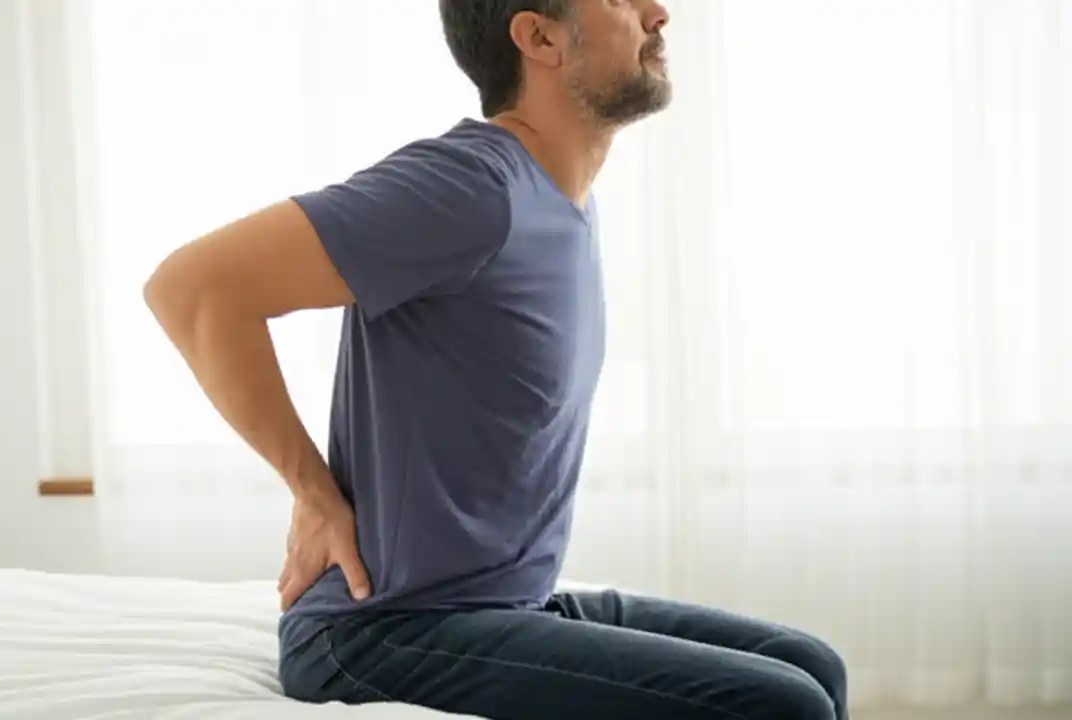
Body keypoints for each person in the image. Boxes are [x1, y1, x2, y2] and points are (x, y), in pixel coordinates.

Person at [144, 1, 848, 718]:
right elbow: (194, 288)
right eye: (619, 0)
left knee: (810, 666)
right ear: (538, 36)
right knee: (785, 706)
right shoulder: (471, 184)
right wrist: (313, 494)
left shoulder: (563, 200)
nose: (657, 12)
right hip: (385, 629)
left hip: (504, 604)